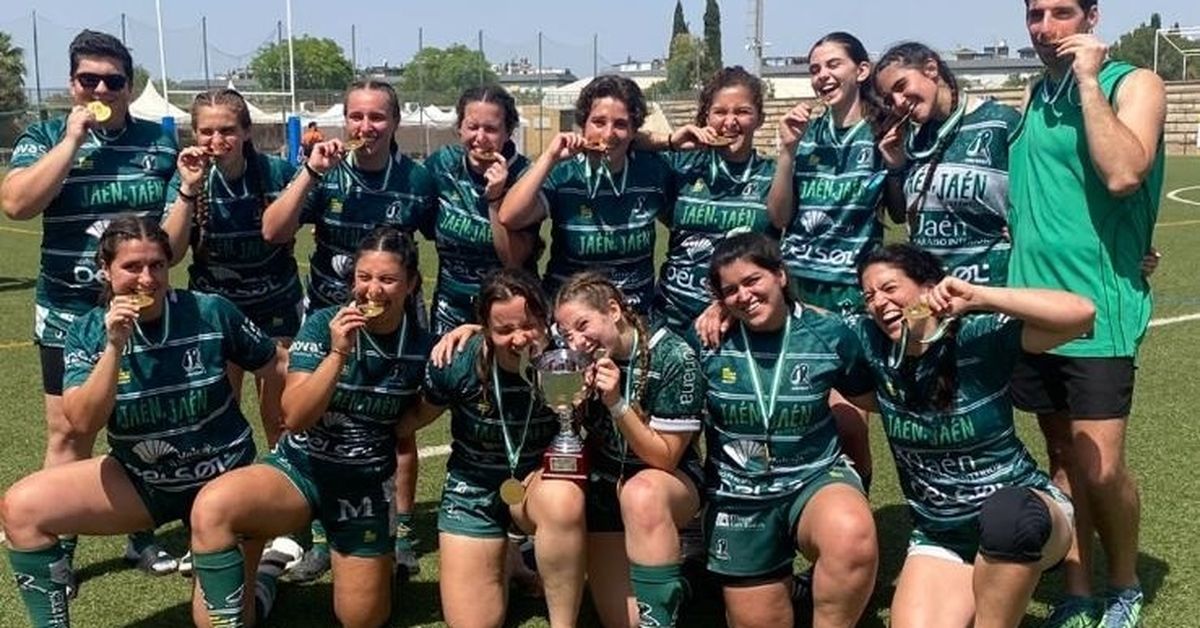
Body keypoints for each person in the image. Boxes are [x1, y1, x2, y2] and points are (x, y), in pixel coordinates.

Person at [1, 216, 286, 628]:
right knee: (22, 507)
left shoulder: (210, 311)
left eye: (156, 265)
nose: (146, 279)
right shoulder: (87, 333)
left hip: (222, 483)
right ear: (106, 270)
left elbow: (275, 366)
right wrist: (114, 346)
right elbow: (82, 422)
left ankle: (264, 579)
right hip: (142, 482)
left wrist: (282, 432)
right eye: (132, 267)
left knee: (220, 623)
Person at [0, 29, 181, 579]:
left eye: (113, 80)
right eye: (89, 79)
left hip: (144, 309)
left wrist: (190, 193)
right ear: (72, 84)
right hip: (66, 312)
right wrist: (72, 141)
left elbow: (174, 240)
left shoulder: (159, 143)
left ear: (128, 86)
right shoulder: (45, 136)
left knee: (141, 421)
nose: (101, 88)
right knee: (69, 432)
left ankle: (141, 535)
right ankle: (60, 546)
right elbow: (16, 205)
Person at [1007, 2, 1166, 626]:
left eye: (1062, 12)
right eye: (1035, 15)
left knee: (1100, 466)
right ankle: (1076, 590)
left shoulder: (1133, 83)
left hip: (1100, 312)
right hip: (1037, 308)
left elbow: (1124, 172)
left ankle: (1122, 585)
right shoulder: (1032, 97)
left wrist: (1089, 81)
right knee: (1062, 460)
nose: (1047, 28)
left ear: (1092, 14)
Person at [188, 226, 433, 628]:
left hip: (363, 484)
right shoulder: (324, 325)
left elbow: (424, 411)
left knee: (362, 619)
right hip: (301, 469)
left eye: (388, 279)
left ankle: (380, 561)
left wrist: (469, 331)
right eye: (364, 277)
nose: (373, 290)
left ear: (411, 284)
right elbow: (295, 416)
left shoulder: (422, 345)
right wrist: (338, 353)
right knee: (215, 507)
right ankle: (265, 575)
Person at [855, 243, 1095, 628]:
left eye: (889, 288)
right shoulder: (871, 344)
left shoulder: (978, 336)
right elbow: (804, 322)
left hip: (1025, 514)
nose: (878, 302)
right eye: (868, 295)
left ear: (928, 287)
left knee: (1007, 516)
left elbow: (1081, 313)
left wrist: (978, 296)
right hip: (943, 534)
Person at [261, 79, 435, 581]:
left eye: (377, 117)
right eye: (356, 117)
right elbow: (273, 231)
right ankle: (319, 538)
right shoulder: (327, 172)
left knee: (395, 427)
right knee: (318, 421)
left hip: (398, 322)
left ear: (396, 122)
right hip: (328, 316)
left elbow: (441, 241)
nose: (366, 127)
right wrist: (310, 174)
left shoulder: (417, 180)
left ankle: (399, 534)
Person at [700, 232, 878, 628]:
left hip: (812, 477)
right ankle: (787, 583)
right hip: (739, 495)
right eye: (730, 290)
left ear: (780, 275)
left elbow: (876, 399)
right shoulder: (707, 339)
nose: (743, 296)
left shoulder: (828, 333)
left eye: (752, 281)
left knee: (851, 533)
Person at [398, 269, 587, 627]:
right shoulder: (459, 361)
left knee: (564, 499)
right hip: (473, 489)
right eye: (503, 330)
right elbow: (412, 420)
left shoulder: (569, 359)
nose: (519, 338)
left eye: (529, 325)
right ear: (484, 328)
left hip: (538, 485)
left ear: (545, 318)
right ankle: (509, 556)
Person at [763, 31, 889, 501]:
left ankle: (854, 522)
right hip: (798, 289)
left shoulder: (884, 129)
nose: (822, 76)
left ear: (861, 70)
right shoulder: (806, 132)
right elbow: (779, 216)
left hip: (851, 294)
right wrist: (787, 153)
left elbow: (899, 209)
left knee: (849, 418)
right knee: (797, 409)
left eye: (832, 65)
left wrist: (894, 163)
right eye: (815, 69)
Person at [552, 272, 704, 628]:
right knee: (624, 621)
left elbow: (665, 457)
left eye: (583, 324)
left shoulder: (674, 356)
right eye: (566, 332)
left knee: (642, 492)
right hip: (607, 480)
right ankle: (684, 581)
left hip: (667, 481)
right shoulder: (576, 359)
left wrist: (616, 403)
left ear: (614, 310)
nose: (576, 339)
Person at [162, 88, 302, 449]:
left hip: (275, 306)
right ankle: (221, 496)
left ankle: (283, 495)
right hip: (214, 311)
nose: (216, 139)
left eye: (227, 130)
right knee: (218, 415)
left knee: (280, 416)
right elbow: (172, 253)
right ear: (194, 134)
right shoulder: (186, 178)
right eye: (206, 131)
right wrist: (188, 191)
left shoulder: (275, 173)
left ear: (246, 131)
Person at [498, 75, 675, 315]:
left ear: (634, 130)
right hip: (571, 320)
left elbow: (680, 221)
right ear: (583, 124)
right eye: (598, 122)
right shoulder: (565, 173)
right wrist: (549, 157)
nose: (609, 133)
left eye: (621, 124)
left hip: (633, 316)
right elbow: (510, 216)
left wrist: (668, 141)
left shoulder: (652, 171)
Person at [635, 66, 777, 337]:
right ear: (706, 117)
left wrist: (727, 302)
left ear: (759, 119)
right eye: (720, 112)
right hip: (670, 313)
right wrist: (670, 141)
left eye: (742, 112)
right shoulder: (682, 165)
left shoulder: (772, 175)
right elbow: (625, 140)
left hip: (736, 317)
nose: (730, 121)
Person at [873, 42, 1019, 286]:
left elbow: (1033, 197)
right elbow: (901, 217)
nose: (898, 102)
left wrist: (1021, 229)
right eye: (890, 98)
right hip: (934, 292)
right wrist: (896, 167)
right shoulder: (915, 142)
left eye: (901, 86)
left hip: (991, 290)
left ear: (931, 68)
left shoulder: (1001, 122)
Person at [423, 85, 537, 335]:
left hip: (509, 314)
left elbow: (514, 260)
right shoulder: (442, 165)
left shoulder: (525, 177)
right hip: (450, 309)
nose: (481, 138)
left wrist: (495, 199)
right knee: (445, 372)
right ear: (459, 127)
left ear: (508, 132)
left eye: (491, 129)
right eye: (473, 127)